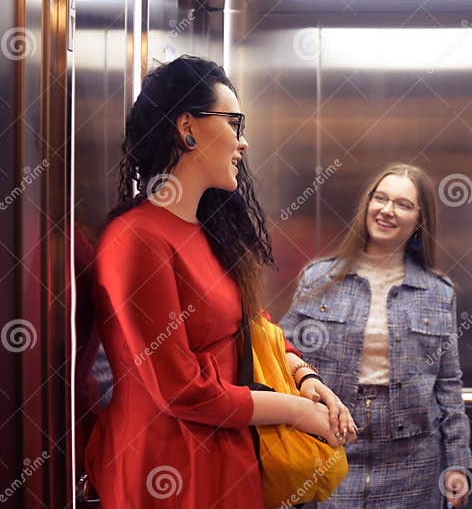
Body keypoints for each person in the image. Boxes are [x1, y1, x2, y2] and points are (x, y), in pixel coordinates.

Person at [85, 55, 356, 509]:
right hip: (169, 466)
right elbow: (180, 389)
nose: (243, 142)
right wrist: (298, 411)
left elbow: (252, 324)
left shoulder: (207, 229)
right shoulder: (135, 239)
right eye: (233, 123)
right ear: (187, 127)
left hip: (228, 451)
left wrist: (303, 376)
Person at [279, 163, 472, 508]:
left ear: (420, 220)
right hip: (333, 447)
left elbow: (448, 386)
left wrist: (457, 463)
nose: (387, 210)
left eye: (403, 204)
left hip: (413, 463)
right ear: (367, 204)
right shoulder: (319, 278)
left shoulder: (438, 292)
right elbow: (283, 353)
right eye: (380, 198)